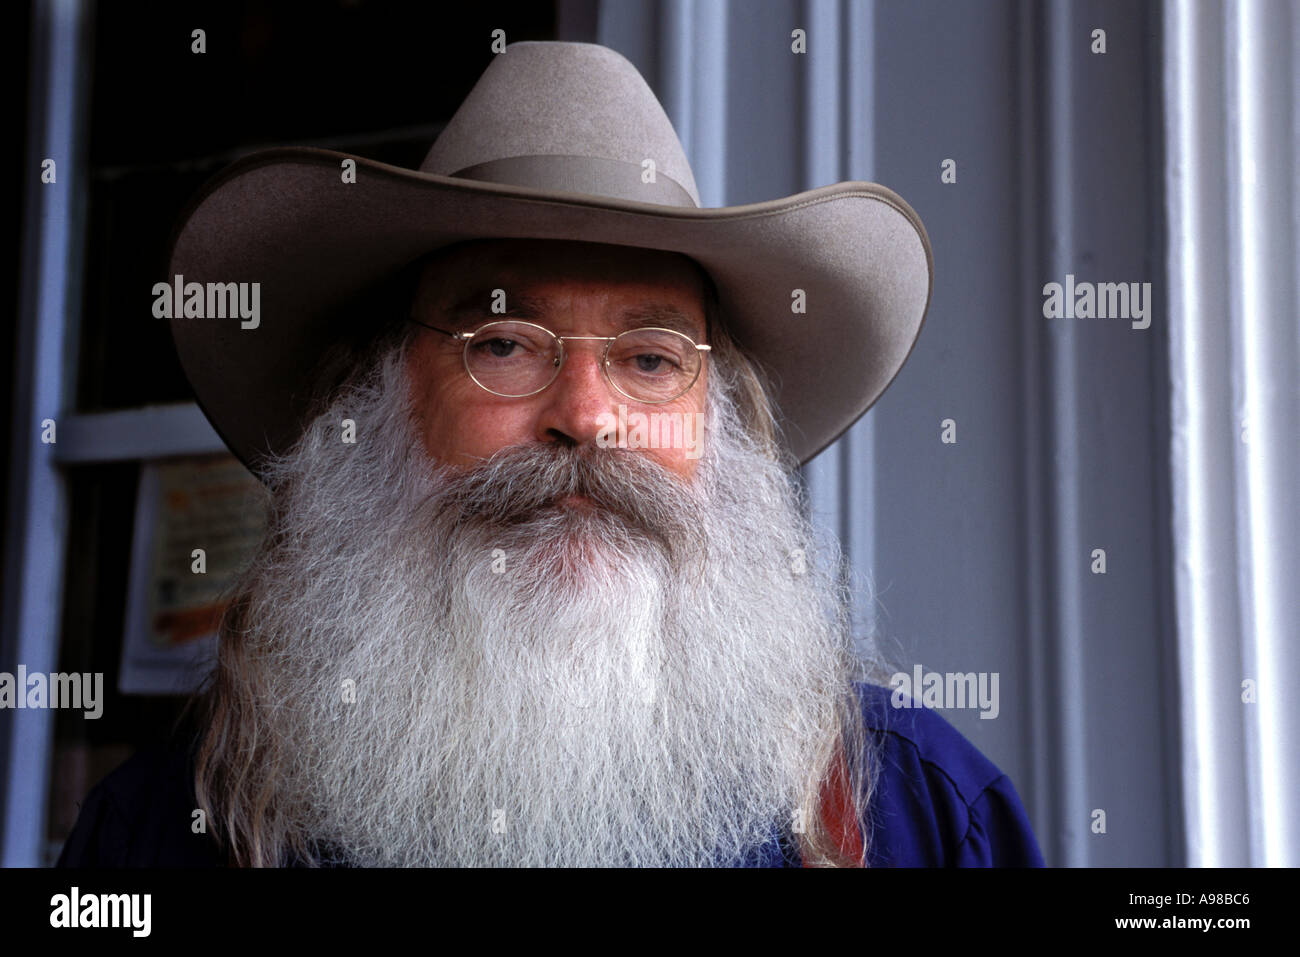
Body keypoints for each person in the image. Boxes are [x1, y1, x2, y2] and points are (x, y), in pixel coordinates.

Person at [58, 41, 1043, 868]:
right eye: (500, 345)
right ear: (375, 404)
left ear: (723, 428)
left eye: (652, 361)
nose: (586, 416)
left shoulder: (920, 812)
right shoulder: (158, 837)